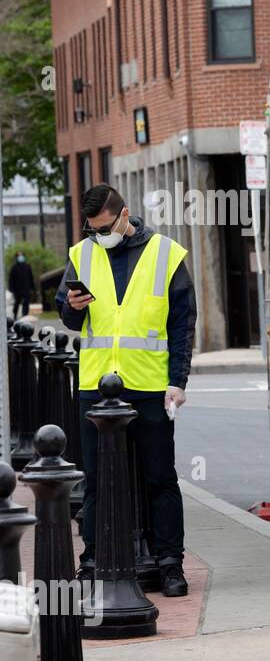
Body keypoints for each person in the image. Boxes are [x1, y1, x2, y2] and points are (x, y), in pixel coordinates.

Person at [54, 185, 197, 597]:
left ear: (124, 215)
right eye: (92, 229)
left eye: (105, 228)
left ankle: (170, 563)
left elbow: (182, 324)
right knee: (97, 481)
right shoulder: (81, 254)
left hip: (149, 386)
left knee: (160, 478)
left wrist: (178, 381)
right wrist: (72, 307)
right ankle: (93, 560)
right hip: (96, 387)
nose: (99, 236)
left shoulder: (166, 254)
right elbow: (69, 317)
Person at [8, 253, 35, 320]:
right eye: (19, 256)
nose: (21, 257)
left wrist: (32, 287)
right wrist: (11, 288)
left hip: (26, 288)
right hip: (17, 289)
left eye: (21, 256)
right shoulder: (14, 267)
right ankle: (15, 314)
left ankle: (25, 315)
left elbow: (31, 277)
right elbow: (11, 279)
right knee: (17, 302)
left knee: (26, 302)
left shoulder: (27, 266)